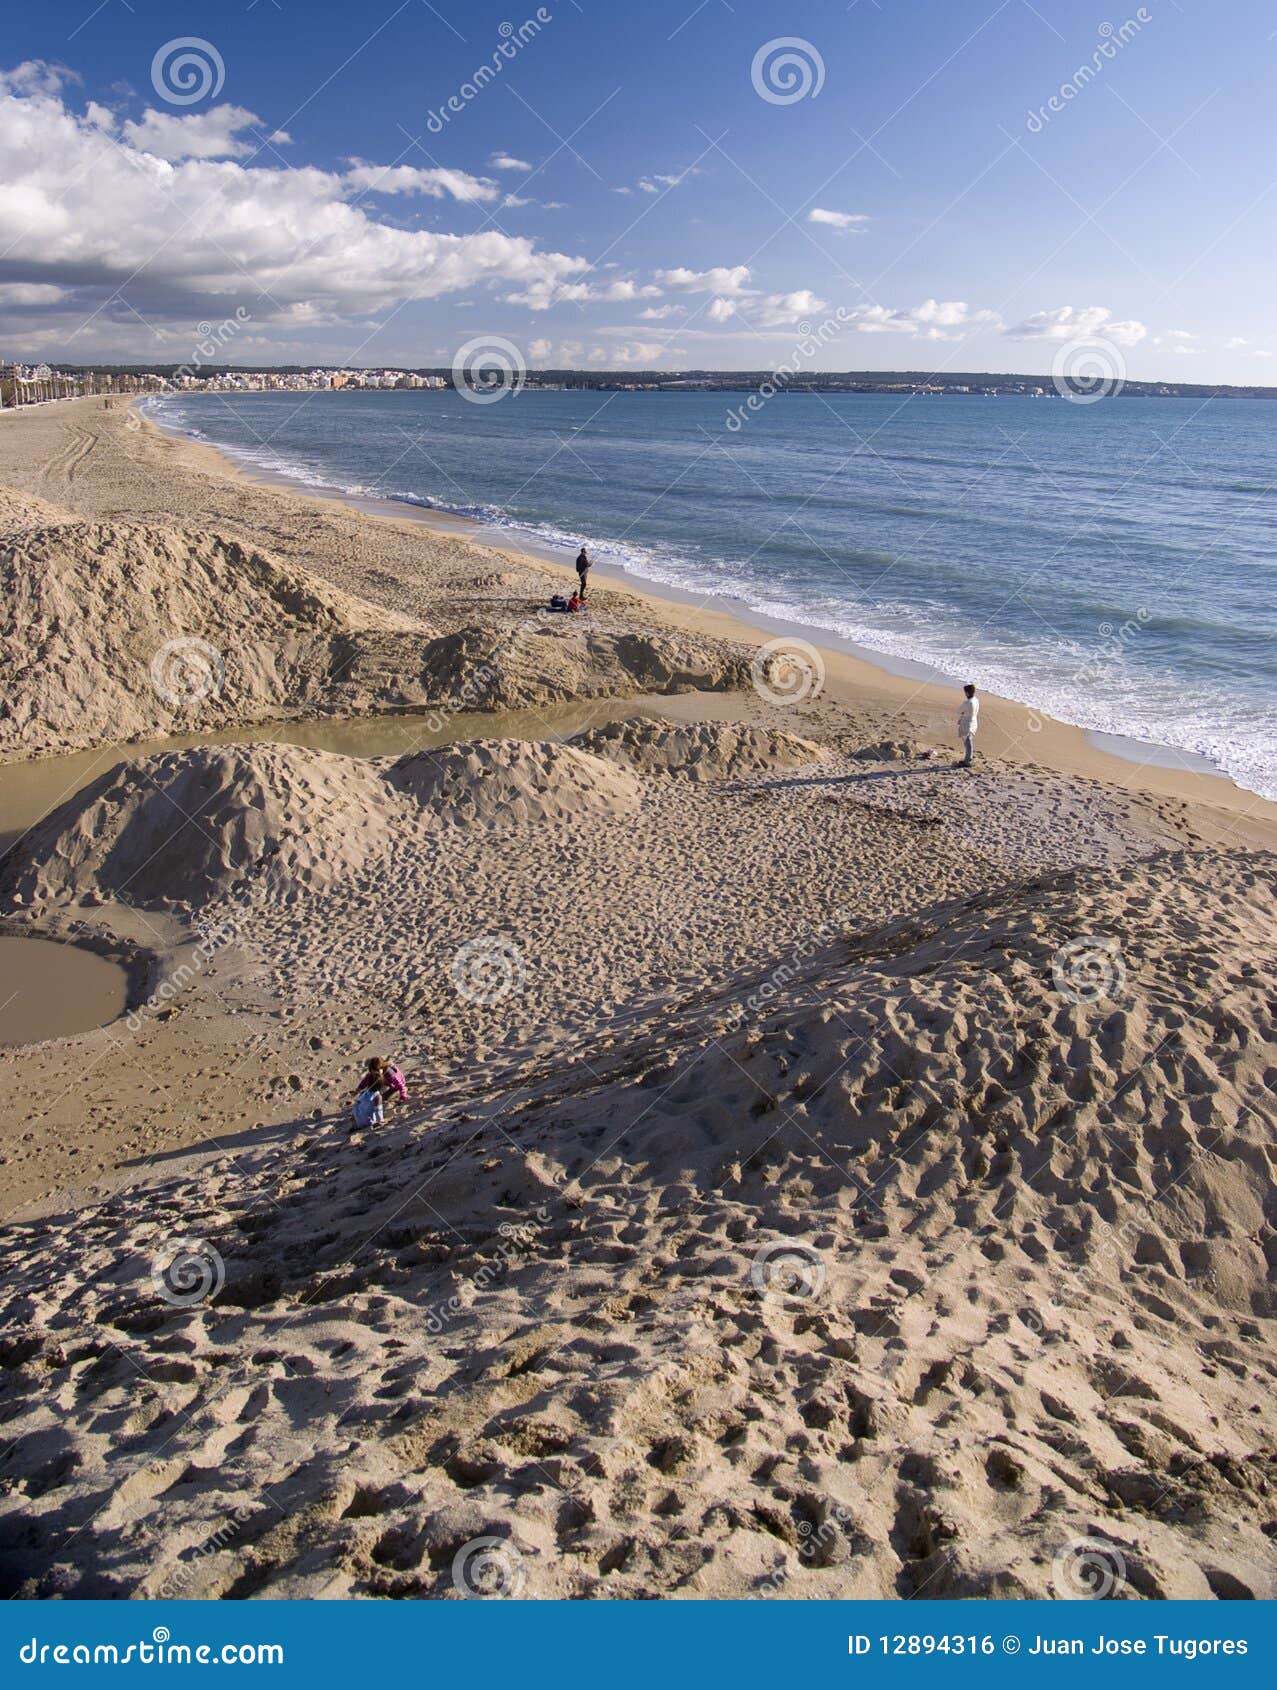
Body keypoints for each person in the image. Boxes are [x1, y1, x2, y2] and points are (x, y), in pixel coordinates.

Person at [957, 683, 979, 768]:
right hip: (974, 721)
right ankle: (968, 758)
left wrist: (963, 713)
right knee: (969, 741)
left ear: (967, 693)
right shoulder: (976, 700)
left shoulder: (967, 702)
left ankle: (967, 760)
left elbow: (959, 711)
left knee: (968, 742)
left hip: (967, 723)